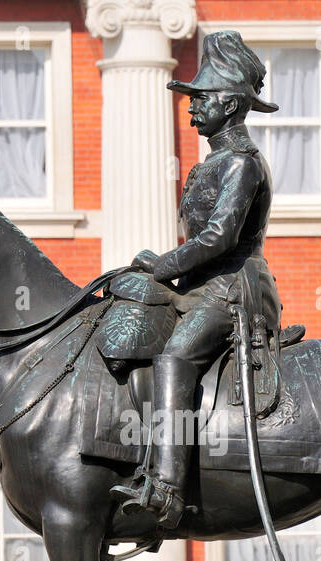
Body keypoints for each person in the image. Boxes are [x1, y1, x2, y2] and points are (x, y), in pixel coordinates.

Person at [111, 30, 282, 529]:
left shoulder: (243, 165)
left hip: (234, 289)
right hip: (202, 286)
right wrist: (153, 268)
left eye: (201, 98)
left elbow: (218, 240)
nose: (191, 108)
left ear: (230, 104)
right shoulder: (215, 162)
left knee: (175, 355)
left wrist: (162, 266)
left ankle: (164, 486)